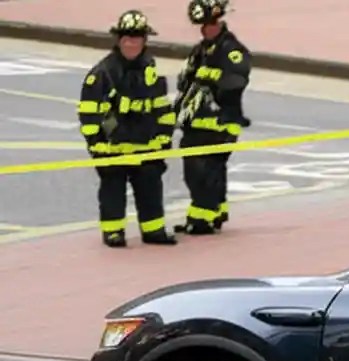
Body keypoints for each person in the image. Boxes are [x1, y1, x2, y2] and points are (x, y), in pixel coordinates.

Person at [79, 10, 177, 247]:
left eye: (137, 38)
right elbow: (89, 111)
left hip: (147, 147)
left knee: (150, 191)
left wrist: (164, 137)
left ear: (144, 41)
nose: (131, 43)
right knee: (113, 192)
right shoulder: (102, 74)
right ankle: (113, 232)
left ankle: (153, 231)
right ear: (119, 40)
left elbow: (162, 107)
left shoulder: (151, 71)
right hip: (113, 149)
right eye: (127, 38)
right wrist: (96, 144)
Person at [173, 0, 251, 236]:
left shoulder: (232, 49)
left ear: (219, 22)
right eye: (203, 25)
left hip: (219, 123)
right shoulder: (200, 50)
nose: (206, 29)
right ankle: (214, 212)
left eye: (210, 24)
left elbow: (236, 81)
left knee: (203, 173)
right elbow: (185, 81)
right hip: (195, 123)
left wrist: (207, 76)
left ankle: (202, 220)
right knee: (204, 172)